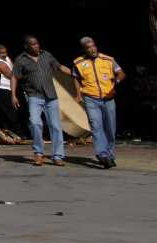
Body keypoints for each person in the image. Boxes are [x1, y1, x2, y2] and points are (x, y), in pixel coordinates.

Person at [71, 36, 124, 169]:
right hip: (91, 99)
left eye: (93, 46)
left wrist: (116, 80)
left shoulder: (108, 60)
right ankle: (102, 155)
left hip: (108, 99)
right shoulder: (78, 63)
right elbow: (76, 78)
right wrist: (78, 95)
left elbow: (121, 73)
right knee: (96, 126)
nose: (92, 49)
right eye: (88, 48)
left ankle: (109, 154)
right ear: (84, 49)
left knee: (110, 128)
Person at [12, 34, 64, 166]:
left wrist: (75, 73)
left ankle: (57, 156)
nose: (37, 46)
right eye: (33, 44)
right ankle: (38, 153)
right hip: (34, 96)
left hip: (51, 96)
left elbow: (59, 67)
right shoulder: (21, 60)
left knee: (55, 126)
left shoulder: (46, 55)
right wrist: (13, 95)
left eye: (37, 43)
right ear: (26, 46)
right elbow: (14, 77)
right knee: (35, 123)